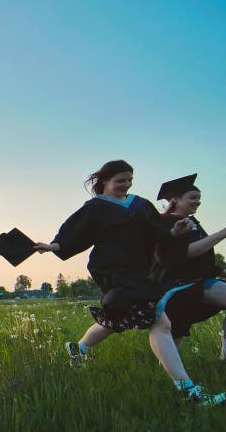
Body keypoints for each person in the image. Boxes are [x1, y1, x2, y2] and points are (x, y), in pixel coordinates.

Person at [34, 160, 225, 407]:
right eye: (120, 181)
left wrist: (175, 232)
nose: (126, 185)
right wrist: (54, 246)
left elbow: (160, 232)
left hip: (142, 273)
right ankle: (189, 392)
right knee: (159, 319)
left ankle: (78, 347)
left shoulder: (140, 204)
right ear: (105, 181)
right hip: (112, 271)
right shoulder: (95, 207)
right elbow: (75, 233)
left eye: (129, 181)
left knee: (116, 320)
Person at [152, 174, 226, 353]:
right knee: (173, 337)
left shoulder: (193, 223)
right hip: (178, 287)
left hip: (198, 282)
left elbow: (202, 257)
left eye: (199, 198)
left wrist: (221, 272)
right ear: (175, 199)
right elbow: (184, 253)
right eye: (193, 197)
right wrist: (222, 233)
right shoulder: (165, 223)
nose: (198, 202)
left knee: (174, 340)